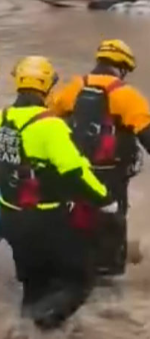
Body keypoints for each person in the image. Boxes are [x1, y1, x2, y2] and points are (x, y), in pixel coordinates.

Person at [0, 56, 118, 331]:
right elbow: (75, 172)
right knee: (81, 280)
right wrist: (106, 200)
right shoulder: (50, 126)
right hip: (48, 219)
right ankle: (46, 326)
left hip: (10, 218)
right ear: (47, 86)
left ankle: (23, 338)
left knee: (33, 282)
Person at [48, 39, 150, 276]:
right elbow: (146, 133)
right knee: (113, 218)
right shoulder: (126, 95)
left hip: (76, 169)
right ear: (121, 67)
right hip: (112, 172)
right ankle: (108, 273)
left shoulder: (73, 87)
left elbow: (48, 118)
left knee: (78, 217)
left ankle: (76, 264)